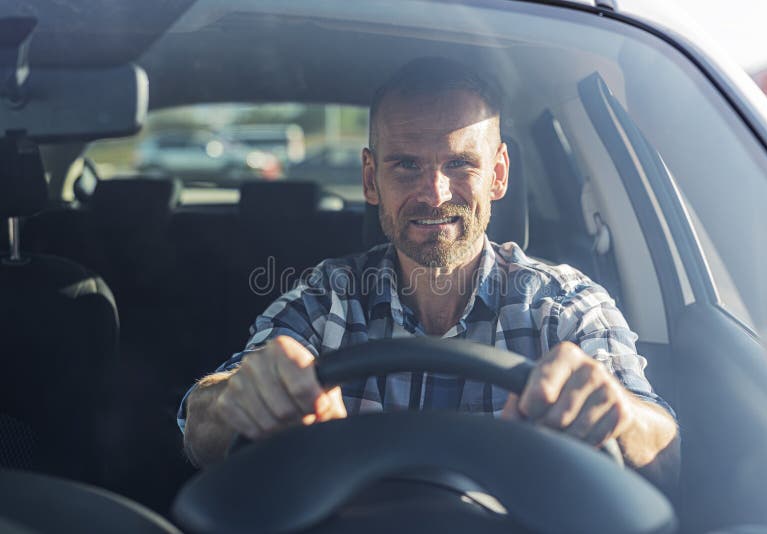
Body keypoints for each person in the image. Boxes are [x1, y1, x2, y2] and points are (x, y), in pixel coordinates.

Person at [178, 57, 679, 486]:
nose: (435, 194)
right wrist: (240, 398)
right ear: (371, 179)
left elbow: (665, 453)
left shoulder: (566, 306)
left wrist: (615, 412)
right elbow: (197, 427)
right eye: (406, 166)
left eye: (460, 164)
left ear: (498, 174)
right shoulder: (328, 297)